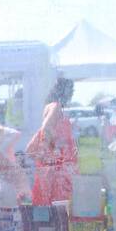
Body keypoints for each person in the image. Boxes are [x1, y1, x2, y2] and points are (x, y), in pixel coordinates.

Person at [24, 75, 78, 206]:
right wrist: (50, 151)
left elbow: (45, 132)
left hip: (52, 170)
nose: (72, 94)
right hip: (56, 174)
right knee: (59, 211)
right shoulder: (56, 107)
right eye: (71, 90)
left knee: (49, 213)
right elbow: (46, 130)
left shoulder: (50, 106)